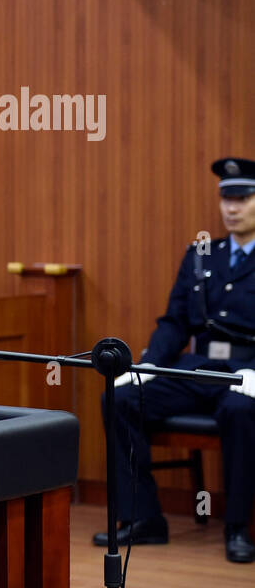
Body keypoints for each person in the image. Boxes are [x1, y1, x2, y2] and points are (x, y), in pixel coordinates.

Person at [98, 157, 255, 563]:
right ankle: (144, 518)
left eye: (242, 198)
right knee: (120, 398)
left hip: (246, 374)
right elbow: (174, 322)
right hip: (198, 369)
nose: (232, 208)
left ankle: (238, 527)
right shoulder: (203, 254)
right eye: (226, 199)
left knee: (241, 410)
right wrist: (146, 366)